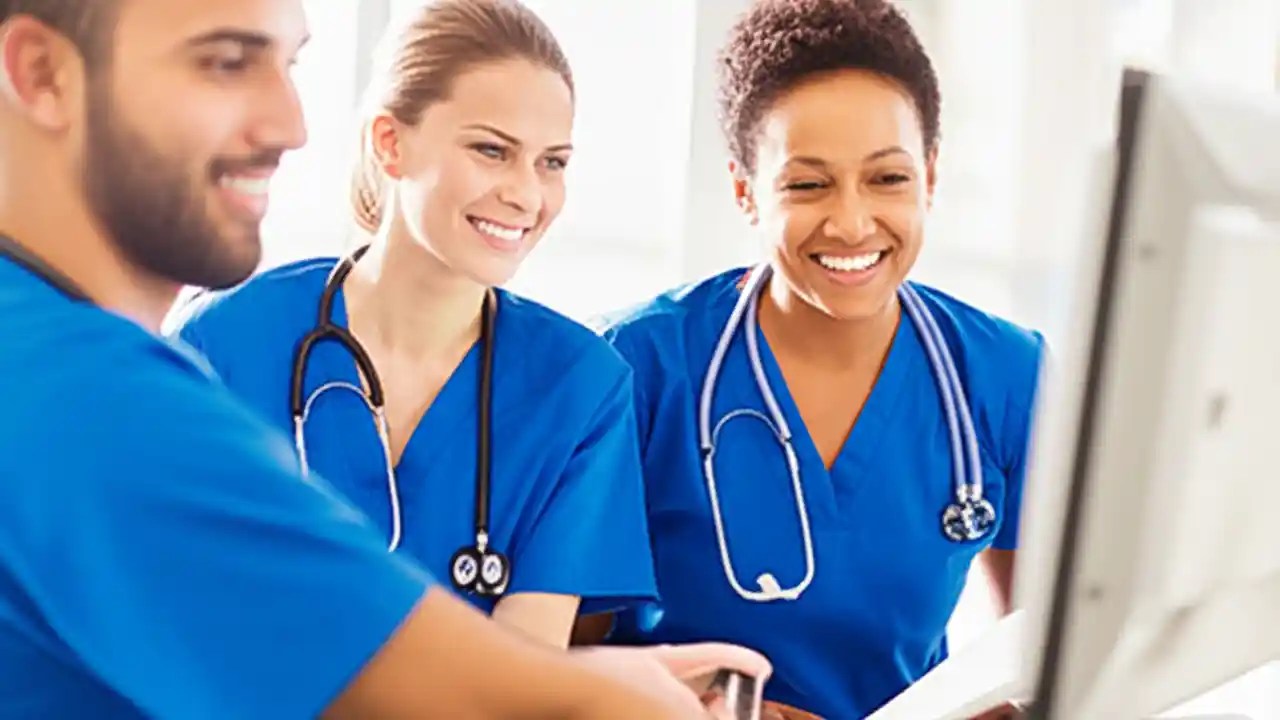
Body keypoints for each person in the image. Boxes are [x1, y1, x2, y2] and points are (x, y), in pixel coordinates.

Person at [0, 1, 769, 718]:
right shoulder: (86, 389)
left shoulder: (579, 383)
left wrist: (581, 688)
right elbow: (401, 684)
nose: (292, 125)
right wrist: (593, 697)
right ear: (40, 73)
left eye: (291, 66)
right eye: (226, 62)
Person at [593, 0, 1045, 718]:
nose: (852, 222)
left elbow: (1045, 658)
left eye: (887, 179)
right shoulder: (635, 368)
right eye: (808, 184)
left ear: (930, 175)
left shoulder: (1004, 376)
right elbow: (549, 666)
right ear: (746, 190)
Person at [166, 0, 654, 650]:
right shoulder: (224, 345)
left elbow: (518, 676)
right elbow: (159, 612)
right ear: (390, 143)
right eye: (491, 150)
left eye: (552, 162)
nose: (527, 194)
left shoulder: (580, 387)